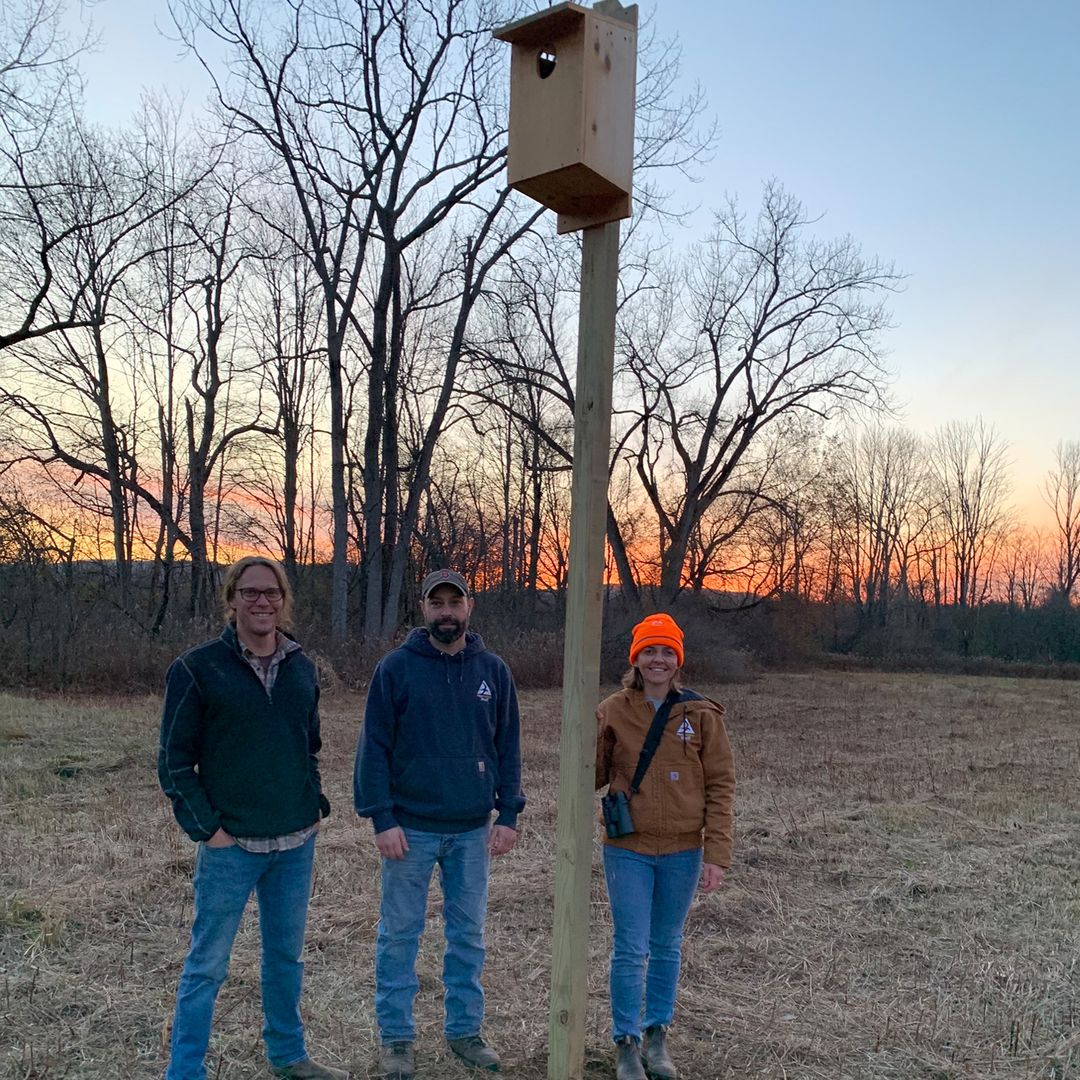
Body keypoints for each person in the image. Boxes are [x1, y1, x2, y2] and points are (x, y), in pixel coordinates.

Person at [158, 556, 347, 1080]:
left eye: (271, 593)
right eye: (250, 592)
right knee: (207, 966)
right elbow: (174, 762)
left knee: (285, 960)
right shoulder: (197, 669)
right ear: (232, 599)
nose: (262, 602)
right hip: (231, 847)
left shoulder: (302, 668)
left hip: (295, 843)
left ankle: (288, 1055)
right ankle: (185, 1070)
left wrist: (313, 804)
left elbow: (307, 746)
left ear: (284, 600)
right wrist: (210, 832)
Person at [354, 568, 526, 1080]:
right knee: (400, 935)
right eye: (437, 603)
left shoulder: (492, 671)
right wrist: (381, 817)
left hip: (473, 830)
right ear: (424, 609)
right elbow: (374, 749)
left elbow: (508, 747)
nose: (446, 612)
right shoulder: (396, 669)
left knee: (468, 934)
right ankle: (397, 1039)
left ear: (469, 608)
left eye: (455, 602)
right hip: (410, 829)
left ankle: (465, 1032)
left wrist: (509, 812)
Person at [595, 613, 735, 1080]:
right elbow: (591, 775)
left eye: (667, 651)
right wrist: (584, 736)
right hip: (627, 848)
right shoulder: (613, 708)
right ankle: (626, 1042)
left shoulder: (701, 715)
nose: (658, 659)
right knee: (631, 946)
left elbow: (720, 785)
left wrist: (717, 854)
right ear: (636, 658)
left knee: (667, 944)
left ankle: (658, 1036)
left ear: (678, 660)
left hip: (682, 851)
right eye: (649, 651)